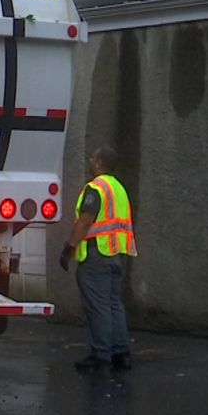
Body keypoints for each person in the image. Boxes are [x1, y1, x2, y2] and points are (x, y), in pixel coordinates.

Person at [59, 146, 137, 371]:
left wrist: (69, 248)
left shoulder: (96, 188)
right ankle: (121, 353)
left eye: (93, 157)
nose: (90, 160)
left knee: (98, 306)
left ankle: (101, 354)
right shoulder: (119, 189)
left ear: (100, 163)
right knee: (114, 304)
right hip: (115, 254)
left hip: (96, 255)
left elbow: (85, 221)